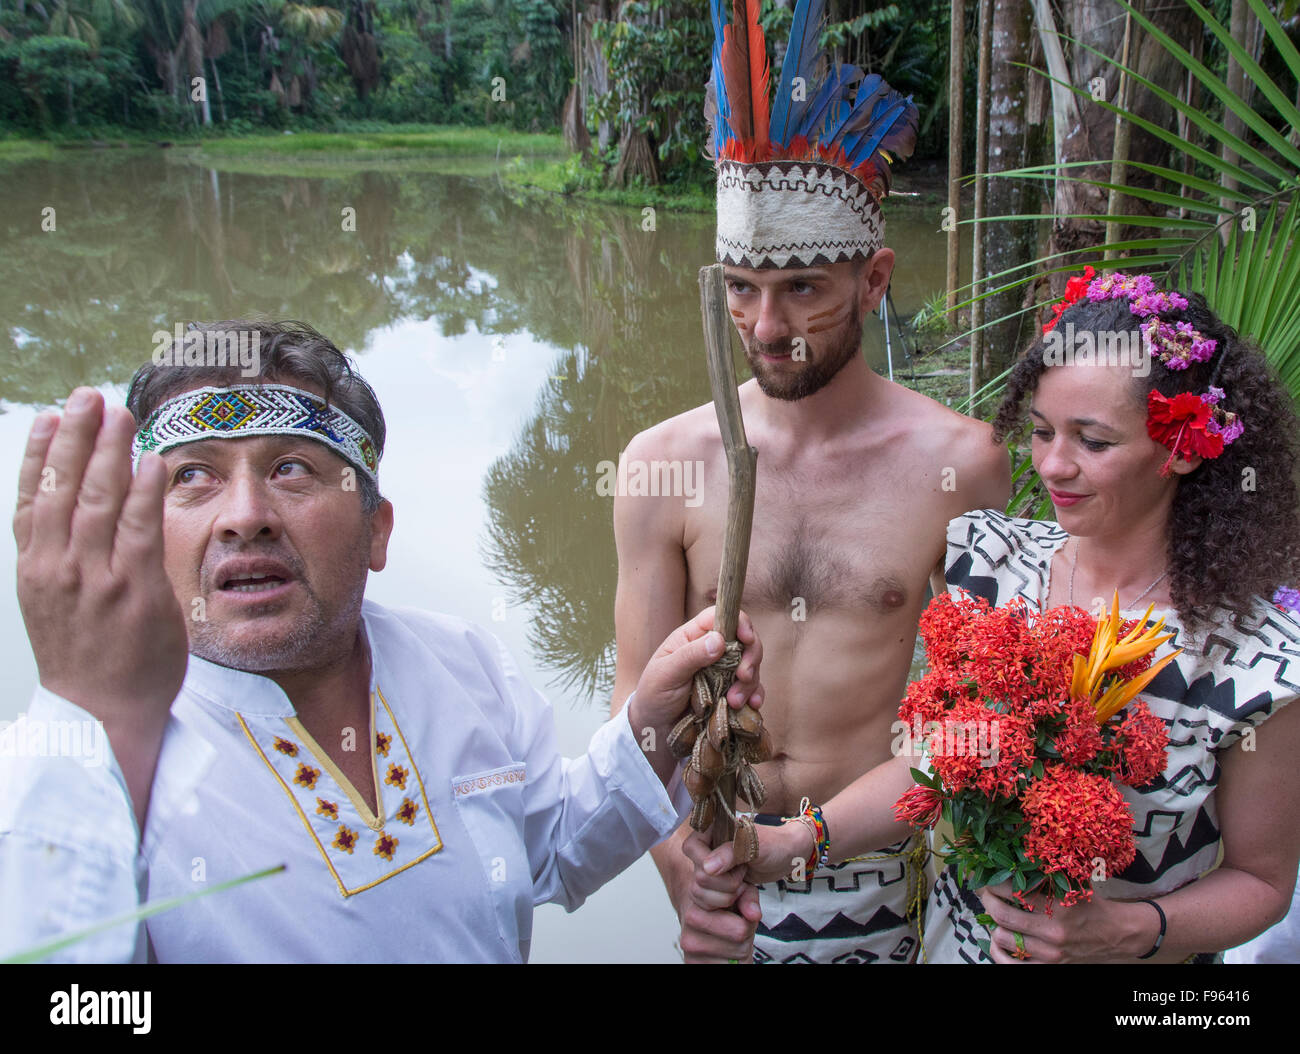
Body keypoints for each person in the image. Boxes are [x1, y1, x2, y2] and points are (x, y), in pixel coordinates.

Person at [0, 320, 765, 964]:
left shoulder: (461, 664)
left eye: (291, 469)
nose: (244, 515)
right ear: (140, 532)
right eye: (194, 475)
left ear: (376, 529)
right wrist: (92, 712)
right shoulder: (74, 765)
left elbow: (552, 846)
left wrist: (655, 724)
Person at [724, 270, 1300, 963]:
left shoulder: (1255, 660)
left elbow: (1262, 881)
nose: (1054, 465)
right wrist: (797, 841)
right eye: (1042, 431)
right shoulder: (995, 566)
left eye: (1093, 441)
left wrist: (1127, 931)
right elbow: (938, 754)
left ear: (1180, 446)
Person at [610, 0, 1010, 964]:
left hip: (879, 862)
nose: (766, 325)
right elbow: (635, 714)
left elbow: (974, 716)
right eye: (741, 287)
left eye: (804, 290)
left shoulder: (958, 462)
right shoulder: (664, 462)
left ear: (874, 283)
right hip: (716, 858)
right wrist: (681, 873)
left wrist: (820, 842)